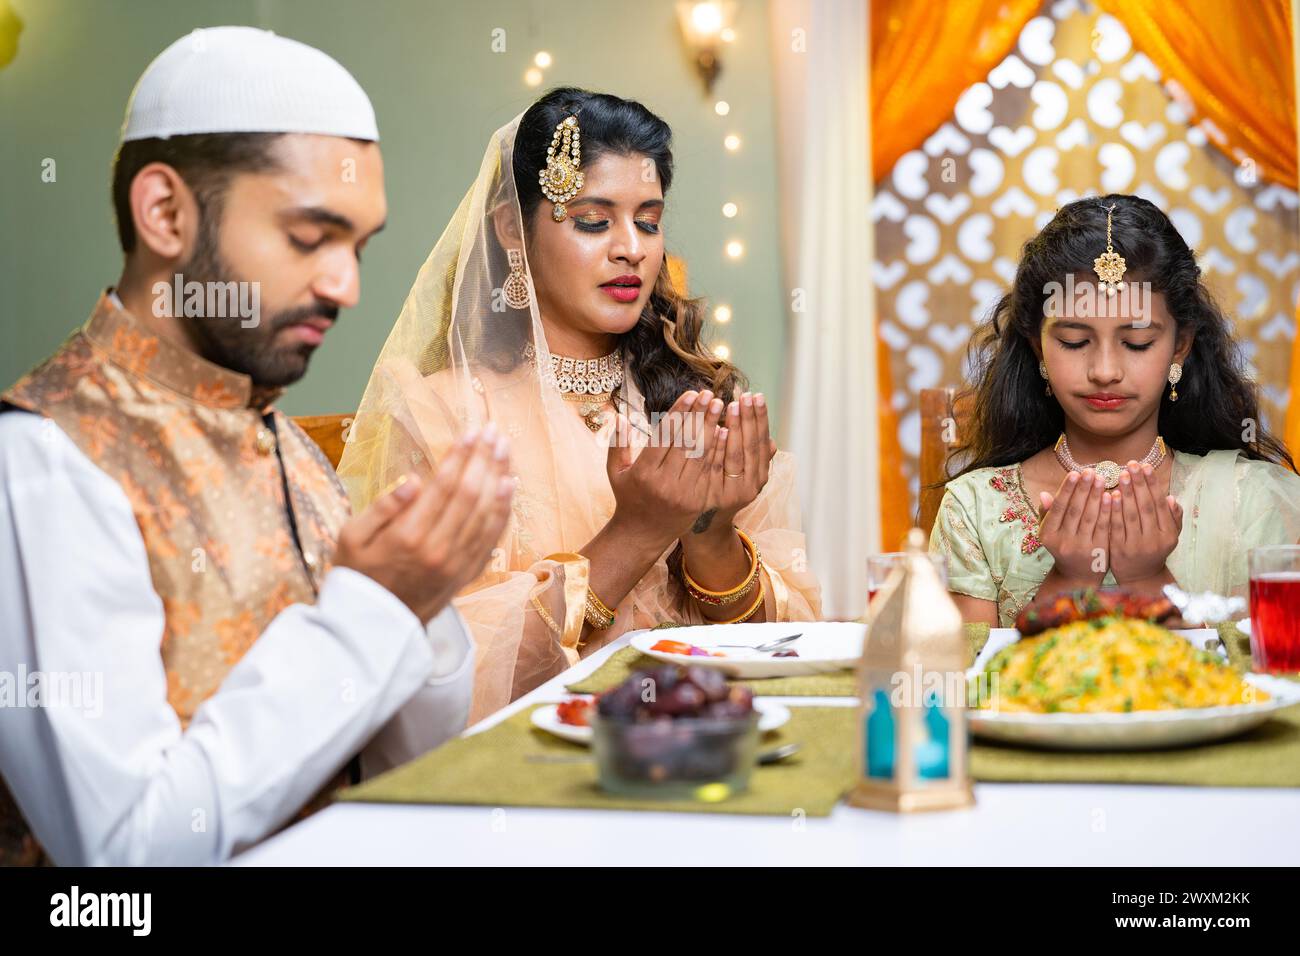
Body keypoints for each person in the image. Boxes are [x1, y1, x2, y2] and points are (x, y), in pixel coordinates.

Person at [0, 26, 512, 866]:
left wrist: (423, 599)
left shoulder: (285, 445)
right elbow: (125, 852)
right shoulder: (48, 460)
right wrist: (375, 608)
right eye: (311, 238)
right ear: (164, 212)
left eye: (359, 246)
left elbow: (396, 767)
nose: (347, 286)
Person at [339, 88, 821, 721]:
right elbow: (441, 685)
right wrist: (637, 533)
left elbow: (783, 657)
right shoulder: (445, 418)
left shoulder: (689, 400)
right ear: (512, 226)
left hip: (698, 753)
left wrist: (710, 530)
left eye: (648, 220)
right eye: (594, 221)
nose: (633, 249)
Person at [929, 194, 1300, 627]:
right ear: (1038, 347)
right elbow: (965, 687)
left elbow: (1271, 684)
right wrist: (1067, 582)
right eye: (1074, 341)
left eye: (1137, 343)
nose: (1105, 371)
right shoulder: (975, 509)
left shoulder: (1255, 501)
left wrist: (1147, 580)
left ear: (1180, 345)